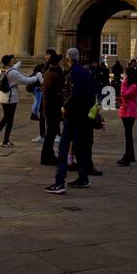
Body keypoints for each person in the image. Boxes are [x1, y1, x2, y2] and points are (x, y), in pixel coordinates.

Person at [46, 47, 97, 193]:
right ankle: (83, 178)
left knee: (63, 149)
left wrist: (64, 106)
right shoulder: (85, 73)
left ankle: (59, 183)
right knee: (80, 148)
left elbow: (74, 94)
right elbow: (92, 92)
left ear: (68, 60)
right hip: (84, 117)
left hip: (73, 116)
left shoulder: (74, 73)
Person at [0, 55, 34, 147]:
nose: (13, 61)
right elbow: (26, 80)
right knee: (9, 119)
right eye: (12, 60)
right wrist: (38, 77)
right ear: (9, 62)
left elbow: (12, 68)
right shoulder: (12, 73)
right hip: (11, 98)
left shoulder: (1, 70)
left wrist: (19, 63)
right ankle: (5, 141)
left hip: (3, 97)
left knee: (6, 117)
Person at [39, 51, 64, 166]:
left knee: (51, 133)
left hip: (49, 108)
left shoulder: (49, 72)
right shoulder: (55, 75)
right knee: (51, 134)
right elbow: (55, 93)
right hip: (52, 109)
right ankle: (46, 157)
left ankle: (48, 155)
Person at [117, 62, 137, 166]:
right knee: (128, 134)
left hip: (129, 112)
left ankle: (127, 155)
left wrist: (124, 82)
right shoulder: (132, 84)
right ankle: (132, 155)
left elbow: (124, 94)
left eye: (126, 74)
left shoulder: (133, 85)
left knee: (128, 134)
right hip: (126, 110)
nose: (125, 76)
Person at [29, 62, 45, 142]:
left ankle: (33, 113)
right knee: (38, 102)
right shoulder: (39, 73)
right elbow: (42, 82)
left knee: (36, 101)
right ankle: (34, 114)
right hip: (38, 89)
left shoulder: (34, 72)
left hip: (34, 89)